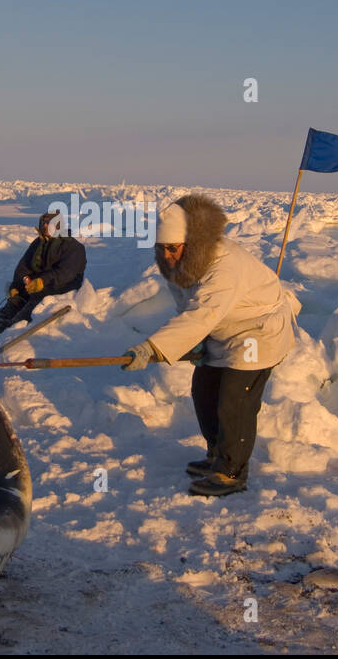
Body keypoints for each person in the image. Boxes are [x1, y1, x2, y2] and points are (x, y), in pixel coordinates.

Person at [123, 194, 300, 496]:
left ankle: (232, 472)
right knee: (204, 389)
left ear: (191, 244)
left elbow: (201, 314)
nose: (167, 255)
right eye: (162, 248)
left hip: (258, 332)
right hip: (223, 329)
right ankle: (216, 455)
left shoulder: (223, 264)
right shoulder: (180, 263)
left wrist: (151, 348)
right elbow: (187, 306)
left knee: (235, 399)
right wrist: (199, 342)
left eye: (172, 248)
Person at [0, 211, 86, 340]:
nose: (45, 226)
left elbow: (66, 273)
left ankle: (5, 336)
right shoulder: (39, 243)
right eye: (43, 223)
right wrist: (17, 285)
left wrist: (42, 281)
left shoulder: (73, 247)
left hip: (58, 289)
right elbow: (24, 266)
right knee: (13, 304)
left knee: (25, 313)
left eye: (48, 223)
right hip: (35, 286)